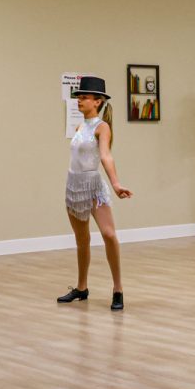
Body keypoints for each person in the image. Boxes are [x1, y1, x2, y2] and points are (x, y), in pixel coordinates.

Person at [58, 76, 133, 310]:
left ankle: (118, 288)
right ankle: (81, 287)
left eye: (84, 97)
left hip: (92, 186)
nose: (79, 100)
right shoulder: (79, 127)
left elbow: (105, 156)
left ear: (97, 102)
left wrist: (116, 184)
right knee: (82, 240)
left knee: (109, 234)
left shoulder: (102, 127)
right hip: (74, 186)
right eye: (79, 97)